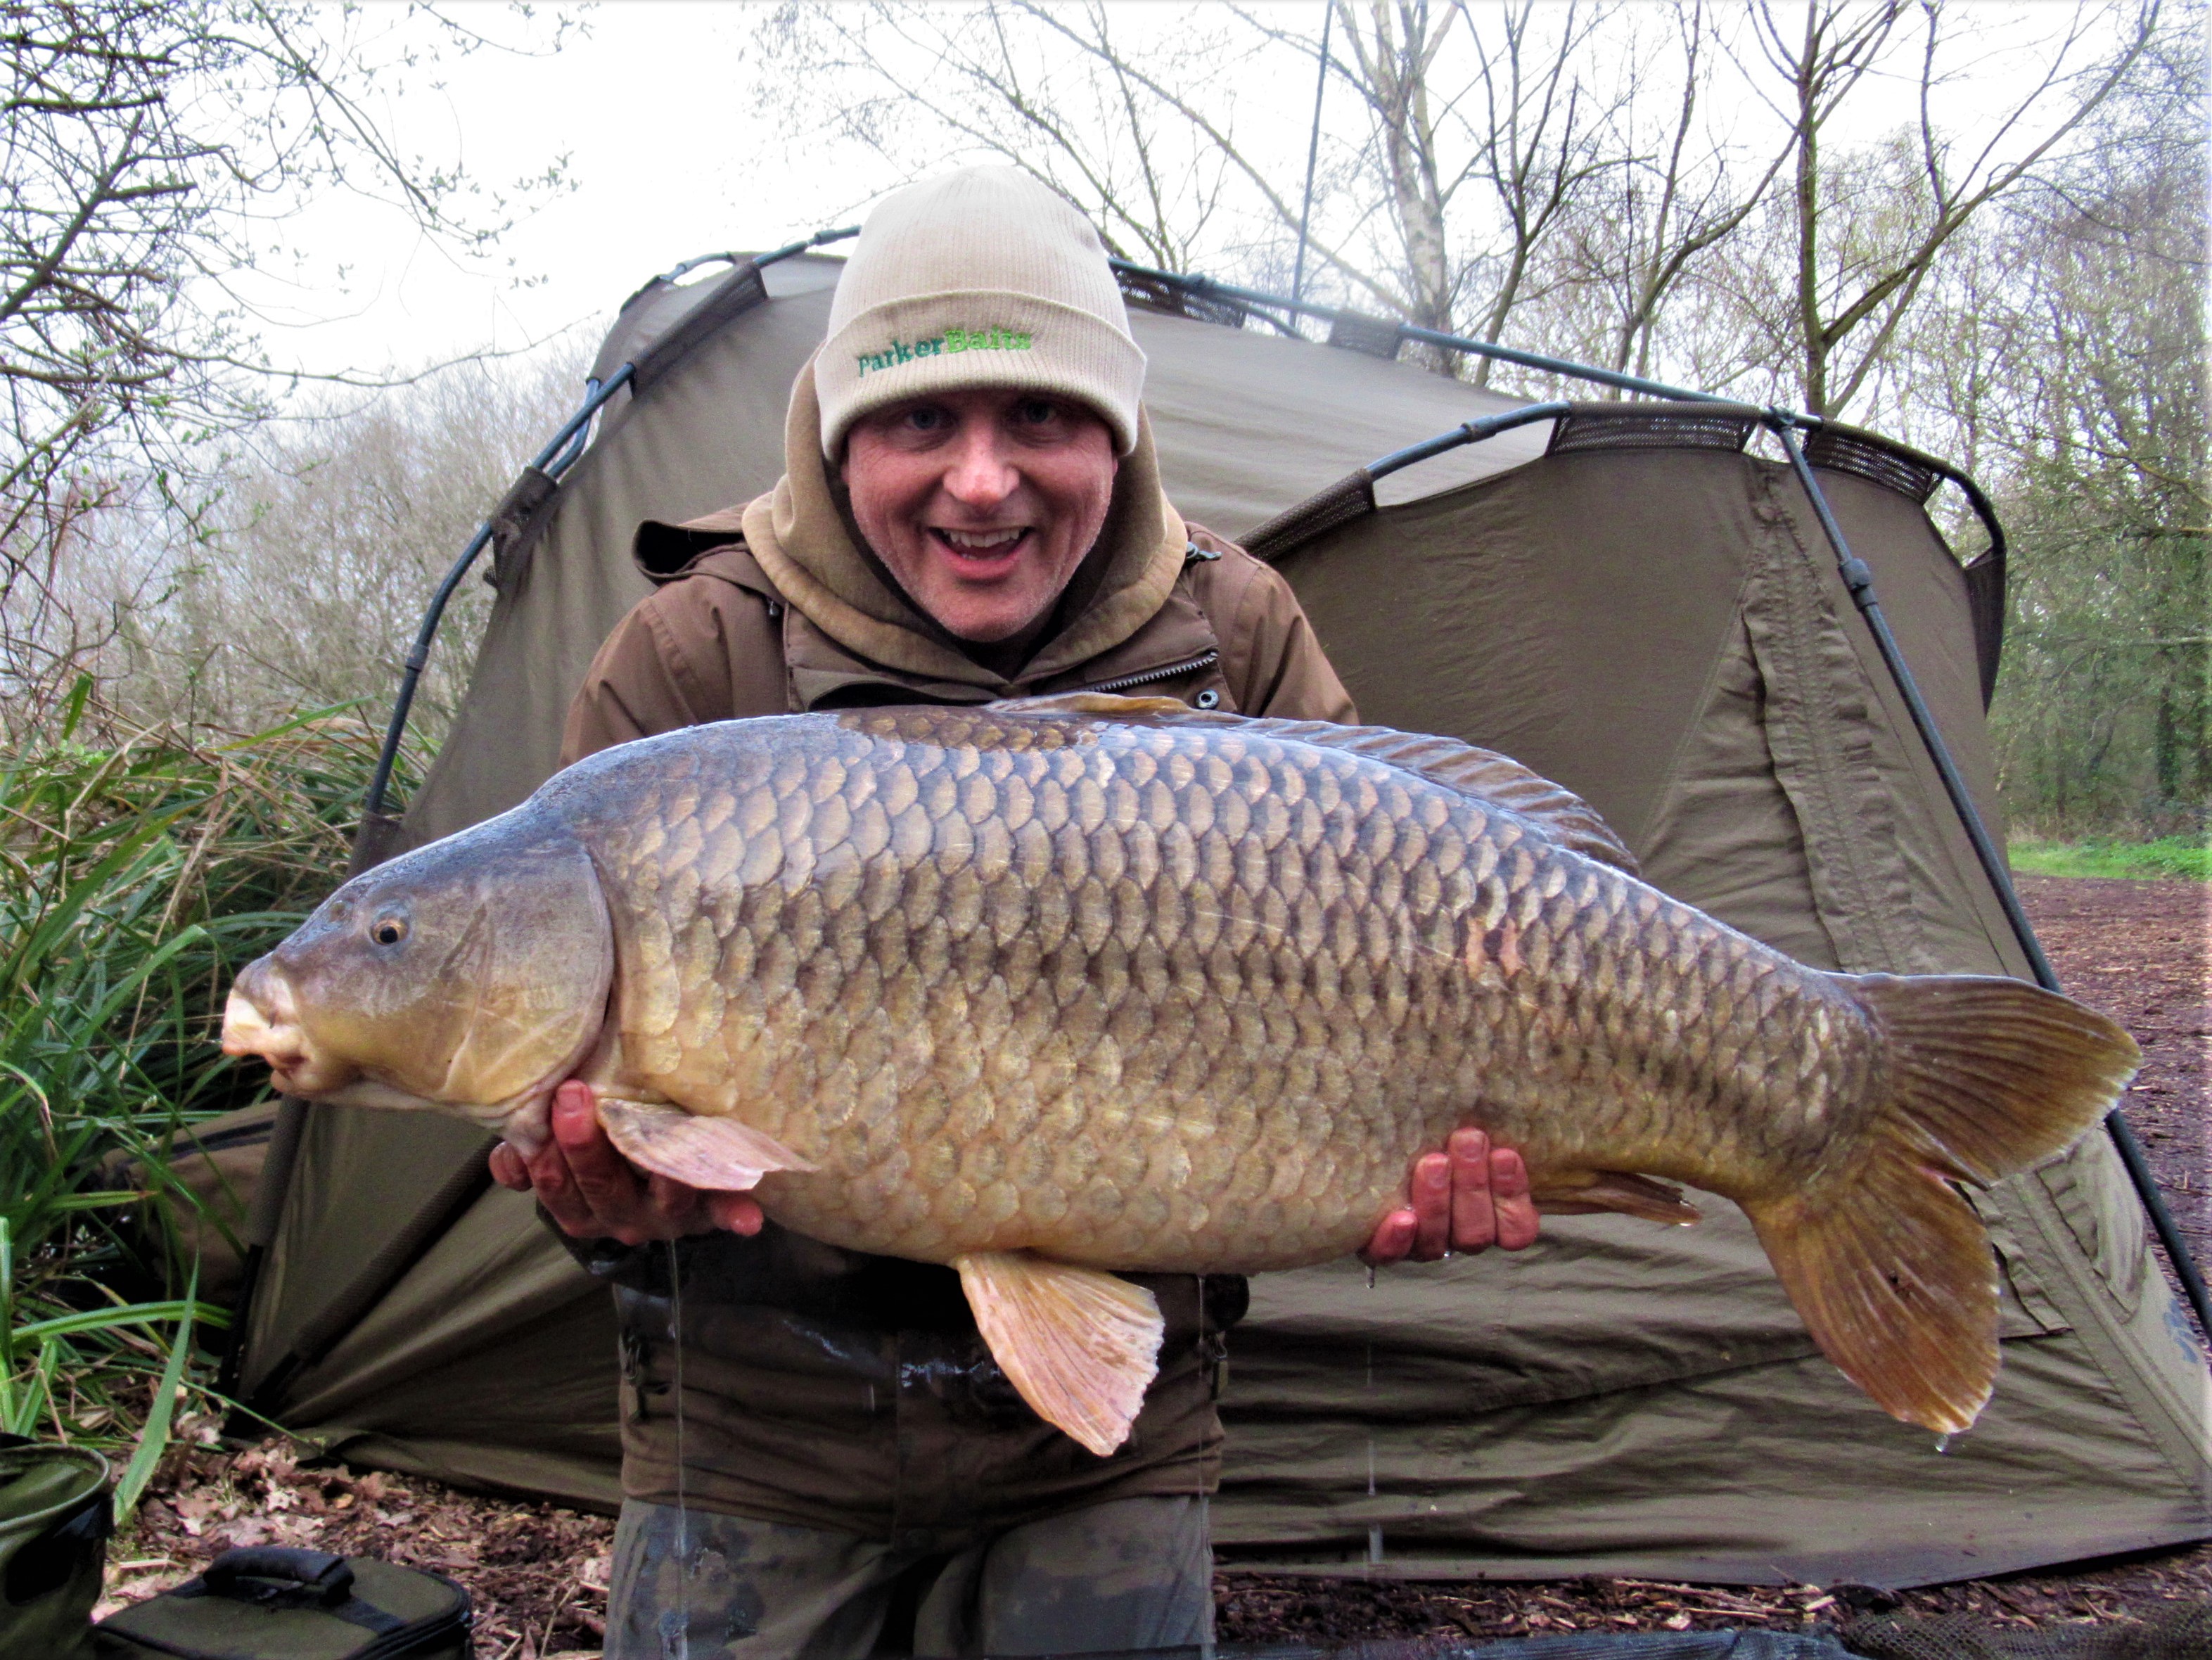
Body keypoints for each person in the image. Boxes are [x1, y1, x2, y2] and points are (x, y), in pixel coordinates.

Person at [488, 167, 1540, 1659]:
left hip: (1106, 1444)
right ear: (839, 430)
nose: (981, 480)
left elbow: (1407, 956)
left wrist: (1405, 1159)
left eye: (1039, 417)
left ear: (1115, 430)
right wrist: (608, 1205)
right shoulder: (687, 657)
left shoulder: (1233, 632)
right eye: (921, 419)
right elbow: (588, 1108)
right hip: (758, 1434)